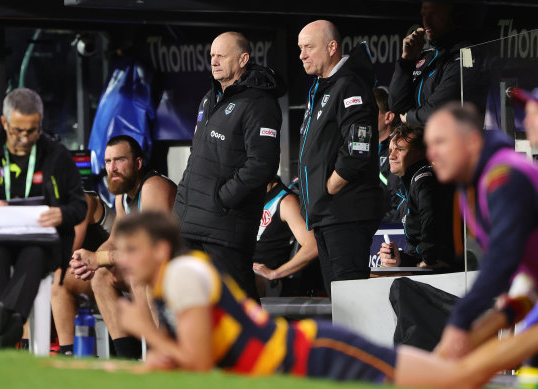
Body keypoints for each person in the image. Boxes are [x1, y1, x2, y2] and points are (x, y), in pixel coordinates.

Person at [104, 211, 538, 388]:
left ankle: (525, 327)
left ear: (160, 250)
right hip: (297, 362)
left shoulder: (181, 275)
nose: (121, 260)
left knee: (454, 377)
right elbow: (208, 356)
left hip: (314, 357)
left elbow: (198, 362)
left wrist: (145, 332)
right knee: (452, 372)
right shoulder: (172, 280)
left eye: (131, 250)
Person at [0, 88, 87, 347]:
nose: (25, 138)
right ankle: (8, 326)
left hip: (37, 237)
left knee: (35, 254)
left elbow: (79, 205)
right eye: (18, 131)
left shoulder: (57, 156)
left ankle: (2, 326)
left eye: (32, 130)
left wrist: (61, 212)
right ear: (4, 123)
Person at [173, 31, 282, 301]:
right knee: (188, 309)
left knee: (239, 313)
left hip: (225, 228)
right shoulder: (209, 99)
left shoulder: (259, 103)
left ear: (243, 58)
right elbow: (198, 156)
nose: (214, 61)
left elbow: (262, 164)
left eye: (221, 55)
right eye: (212, 55)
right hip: (189, 225)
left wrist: (222, 199)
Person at [425, 103, 538, 359]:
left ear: (473, 142)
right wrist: (510, 293)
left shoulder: (504, 176)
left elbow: (503, 255)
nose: (432, 153)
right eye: (429, 144)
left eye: (441, 142)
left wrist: (461, 319)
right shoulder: (471, 185)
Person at [68, 135, 176, 359]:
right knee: (100, 276)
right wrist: (90, 262)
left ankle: (160, 353)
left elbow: (150, 251)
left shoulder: (153, 186)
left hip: (178, 270)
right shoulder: (122, 198)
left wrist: (99, 259)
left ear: (137, 163)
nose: (112, 168)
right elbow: (114, 241)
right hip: (153, 271)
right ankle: (127, 358)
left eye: (119, 160)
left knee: (140, 275)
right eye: (108, 162)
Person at [297, 20, 382, 295]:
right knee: (339, 301)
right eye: (300, 48)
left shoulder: (349, 86)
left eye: (309, 47)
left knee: (351, 302)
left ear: (332, 47)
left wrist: (328, 186)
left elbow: (358, 148)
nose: (302, 55)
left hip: (345, 212)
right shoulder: (326, 87)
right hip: (327, 214)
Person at [378, 123, 460, 270]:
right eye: (390, 150)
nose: (391, 156)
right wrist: (398, 259)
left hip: (450, 273)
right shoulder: (408, 187)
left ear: (422, 153)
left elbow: (431, 220)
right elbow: (417, 257)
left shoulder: (425, 179)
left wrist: (429, 259)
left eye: (400, 150)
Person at [388, 1, 474, 126]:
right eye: (424, 14)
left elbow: (438, 111)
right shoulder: (427, 57)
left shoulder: (466, 55)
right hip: (422, 142)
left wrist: (409, 117)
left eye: (433, 13)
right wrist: (406, 61)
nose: (426, 21)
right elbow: (397, 106)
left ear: (454, 14)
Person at [51, 191, 115, 356]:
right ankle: (25, 349)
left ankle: (69, 351)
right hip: (91, 271)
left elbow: (69, 247)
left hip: (113, 268)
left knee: (58, 278)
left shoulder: (83, 199)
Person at [251, 176, 318, 296]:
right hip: (242, 268)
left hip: (265, 279)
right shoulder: (247, 199)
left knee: (234, 282)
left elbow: (313, 246)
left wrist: (275, 273)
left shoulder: (286, 201)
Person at [374, 87, 402, 223]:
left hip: (389, 230)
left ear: (388, 117)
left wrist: (378, 226)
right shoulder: (361, 149)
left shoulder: (398, 149)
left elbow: (398, 204)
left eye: (372, 112)